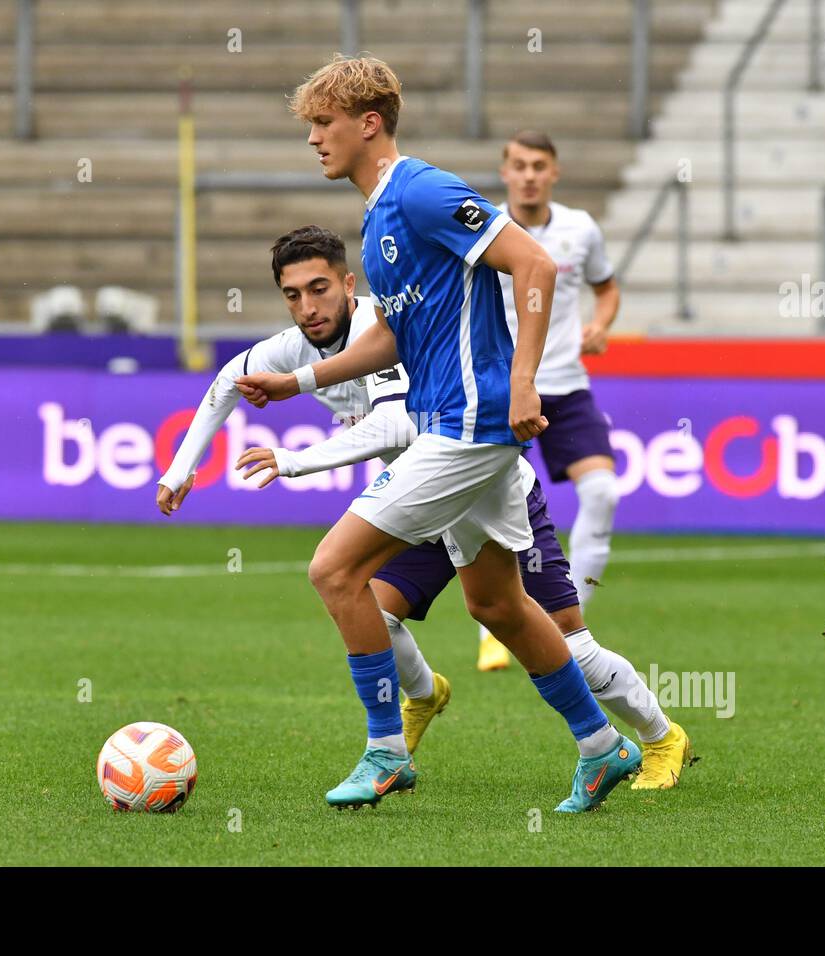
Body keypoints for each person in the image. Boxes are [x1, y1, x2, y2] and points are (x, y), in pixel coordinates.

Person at [232, 55, 640, 811]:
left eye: (323, 124)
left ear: (368, 123)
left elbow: (536, 264)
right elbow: (390, 340)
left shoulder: (420, 191)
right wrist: (299, 382)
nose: (314, 139)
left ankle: (386, 750)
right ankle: (603, 746)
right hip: (450, 424)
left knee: (333, 570)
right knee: (498, 606)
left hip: (469, 427)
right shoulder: (380, 214)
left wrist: (522, 381)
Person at [476, 131, 625, 673]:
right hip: (502, 387)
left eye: (539, 165)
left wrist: (601, 324)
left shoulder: (580, 228)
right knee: (493, 510)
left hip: (565, 383)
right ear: (505, 171)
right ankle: (492, 630)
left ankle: (569, 624)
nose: (530, 175)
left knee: (604, 491)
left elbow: (606, 288)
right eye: (519, 165)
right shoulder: (483, 227)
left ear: (554, 172)